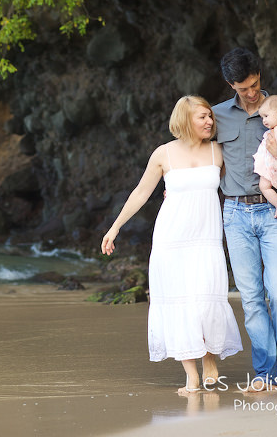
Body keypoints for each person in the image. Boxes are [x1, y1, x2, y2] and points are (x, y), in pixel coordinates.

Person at [101, 95, 243, 396]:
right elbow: (141, 193)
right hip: (171, 240)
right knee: (178, 302)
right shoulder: (163, 154)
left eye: (210, 116)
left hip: (206, 240)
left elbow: (240, 184)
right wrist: (115, 228)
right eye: (202, 117)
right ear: (184, 120)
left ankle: (210, 361)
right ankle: (191, 374)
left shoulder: (218, 152)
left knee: (206, 297)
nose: (209, 121)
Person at [213, 47, 277, 391]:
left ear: (260, 75)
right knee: (252, 298)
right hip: (235, 214)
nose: (251, 94)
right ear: (230, 84)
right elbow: (199, 156)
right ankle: (265, 372)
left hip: (275, 210)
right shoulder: (217, 117)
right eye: (243, 89)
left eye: (254, 85)